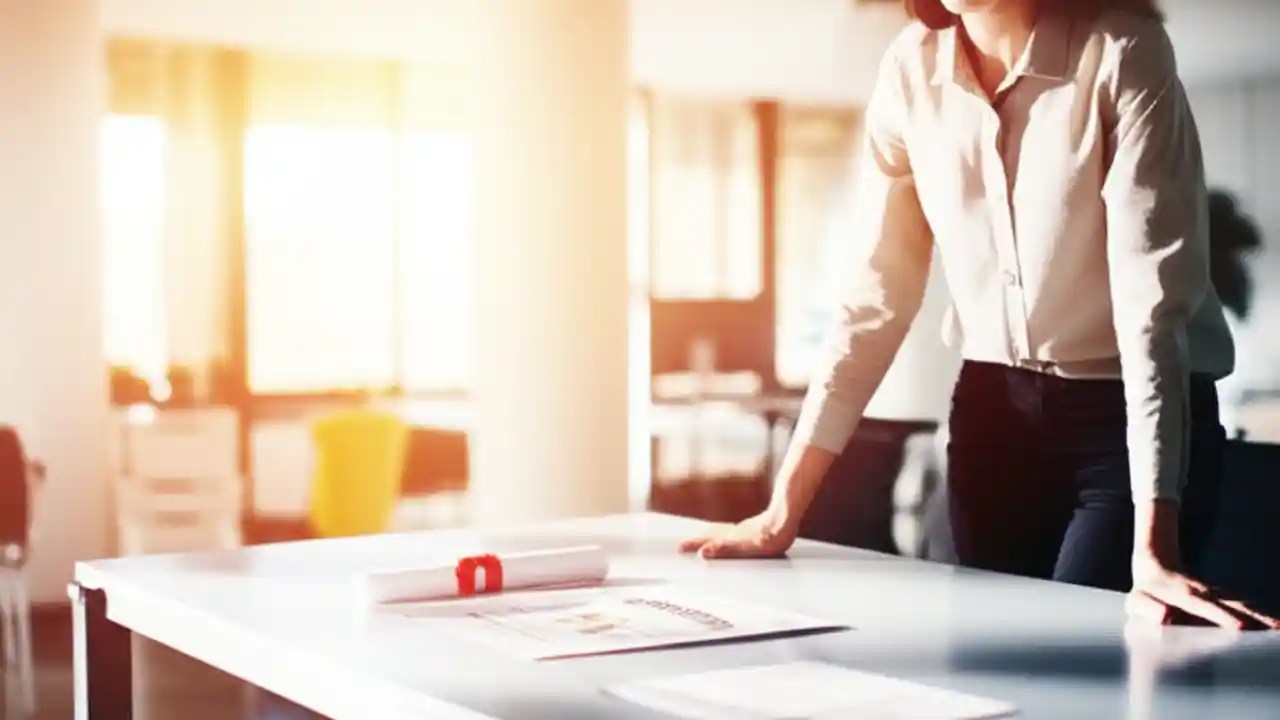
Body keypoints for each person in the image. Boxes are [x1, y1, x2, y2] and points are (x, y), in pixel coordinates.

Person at [679, 0, 1280, 630]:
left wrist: (1154, 548)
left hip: (1125, 419)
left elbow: (1150, 305)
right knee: (994, 654)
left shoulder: (1122, 53)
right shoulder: (909, 71)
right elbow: (875, 297)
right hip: (995, 417)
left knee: (1087, 657)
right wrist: (782, 512)